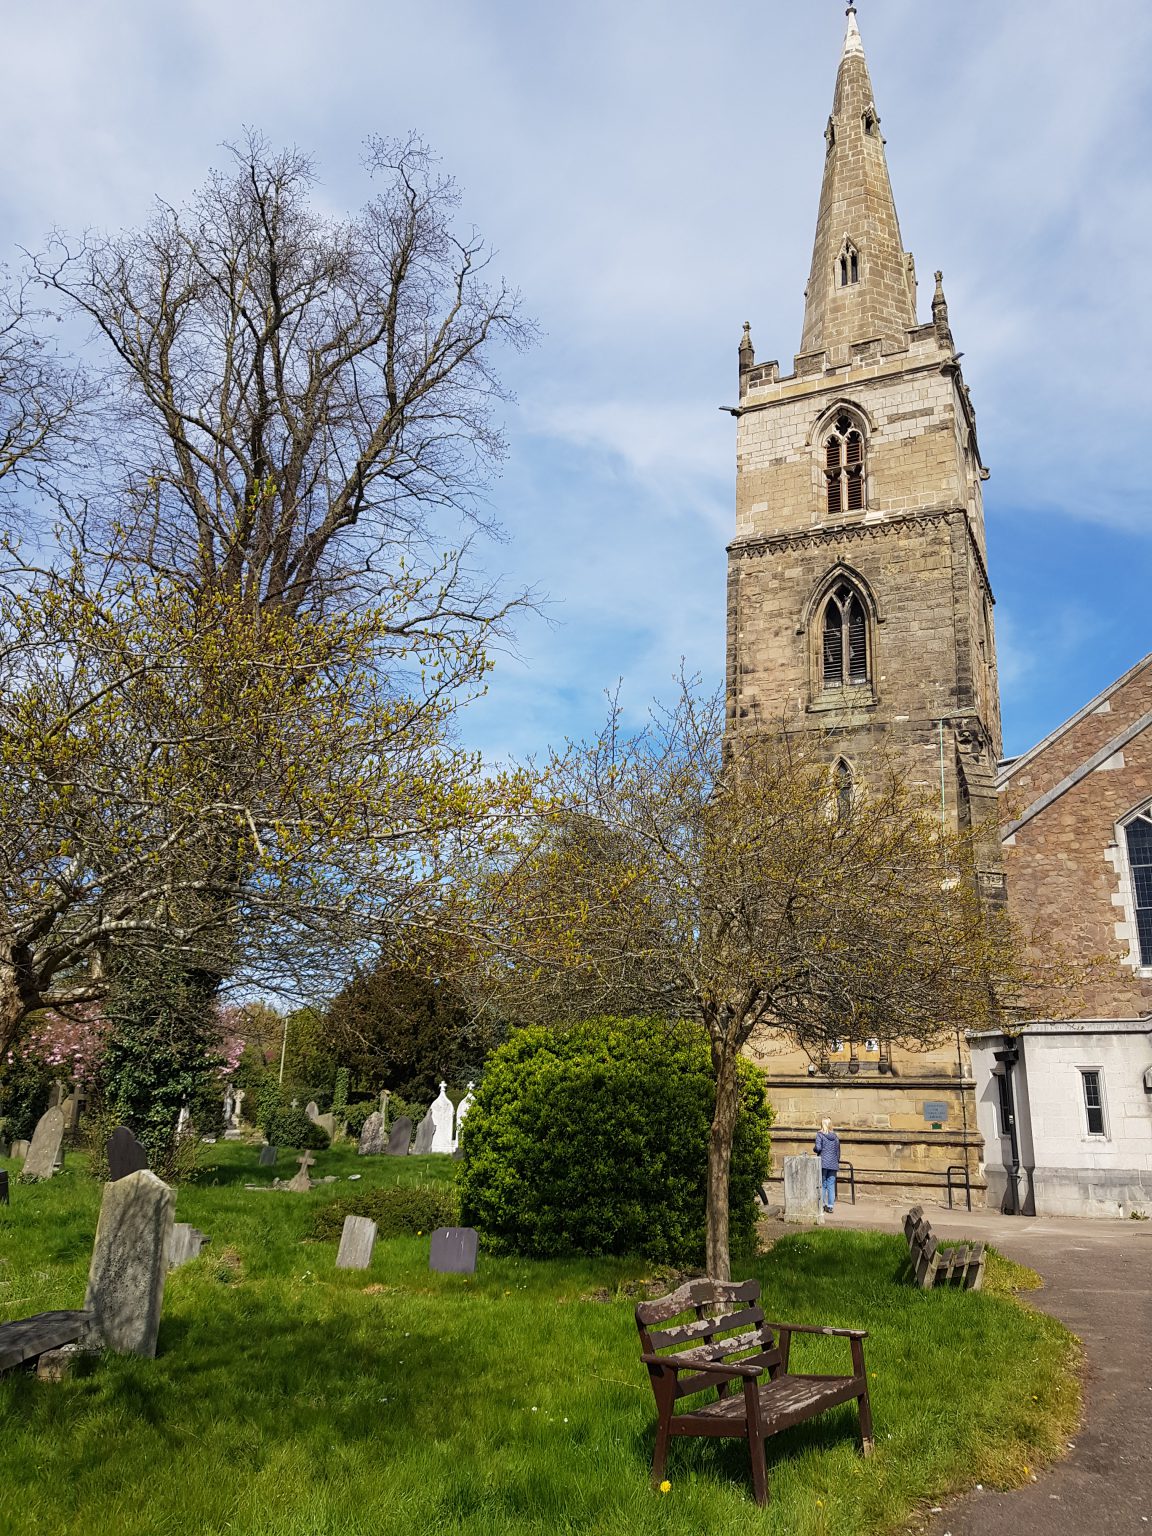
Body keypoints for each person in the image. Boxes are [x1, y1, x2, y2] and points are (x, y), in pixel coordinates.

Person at [814, 1116, 840, 1213]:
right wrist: (836, 1161)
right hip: (833, 1164)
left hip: (823, 1163)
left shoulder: (820, 1134)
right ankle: (830, 1206)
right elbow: (838, 1152)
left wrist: (814, 1149)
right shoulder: (835, 1137)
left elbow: (818, 1148)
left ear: (822, 1124)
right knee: (831, 1185)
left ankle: (822, 1205)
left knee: (823, 1184)